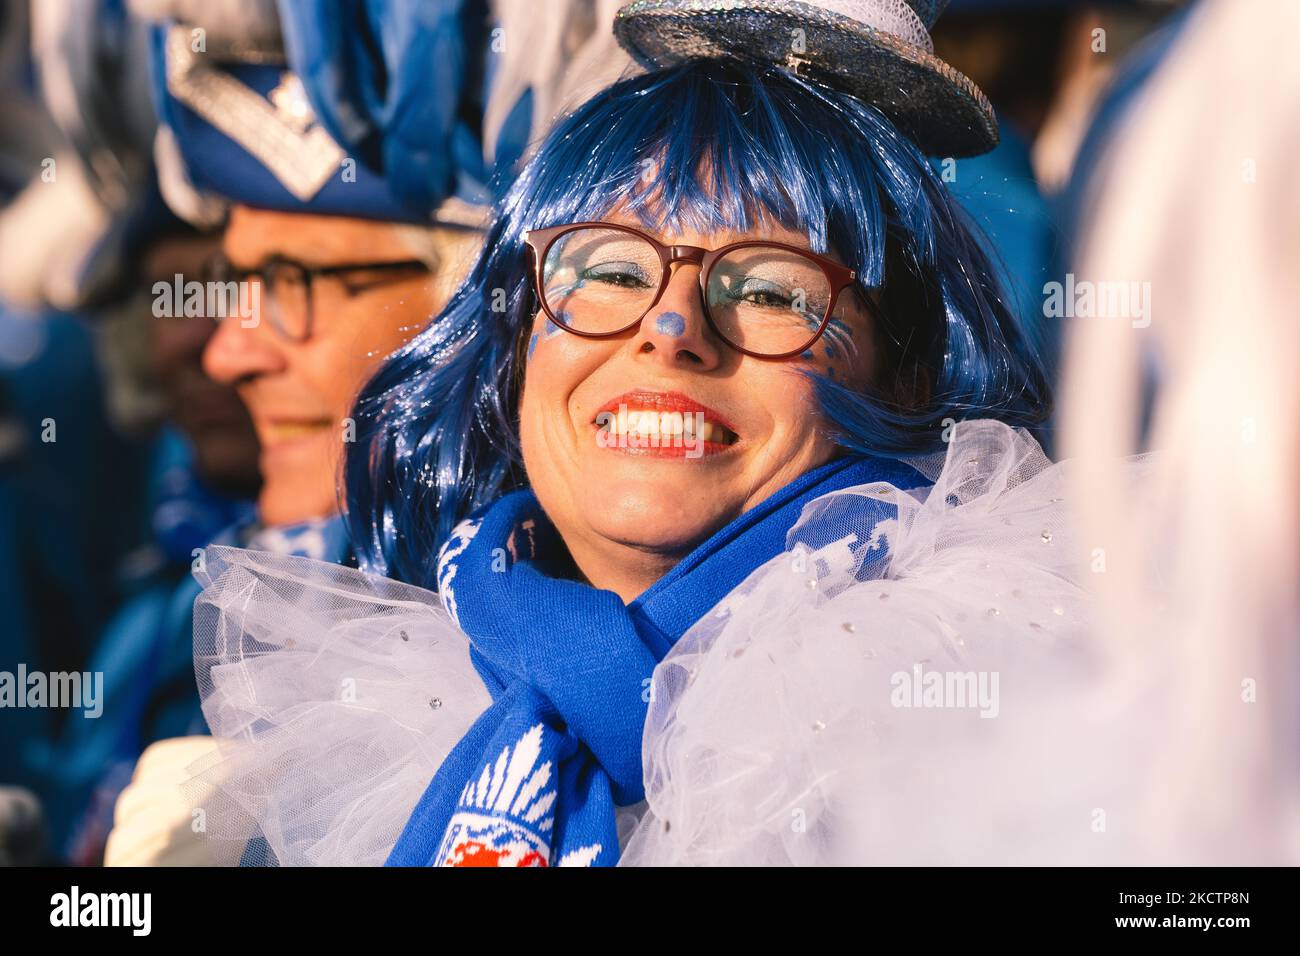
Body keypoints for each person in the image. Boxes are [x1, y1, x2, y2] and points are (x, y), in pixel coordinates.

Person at [154, 0, 1083, 868]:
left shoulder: (986, 715)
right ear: (518, 338)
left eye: (768, 289)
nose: (670, 326)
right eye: (604, 269)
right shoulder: (364, 732)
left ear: (906, 372)